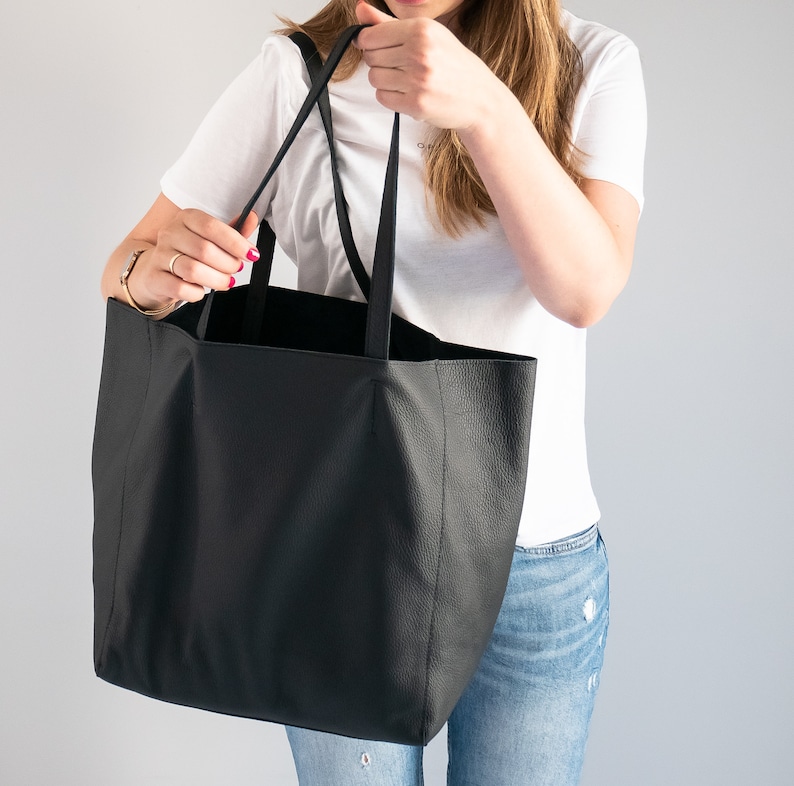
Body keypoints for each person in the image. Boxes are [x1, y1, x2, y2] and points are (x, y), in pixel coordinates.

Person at [101, 0, 645, 783]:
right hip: (346, 549)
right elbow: (127, 267)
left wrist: (487, 107)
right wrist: (150, 276)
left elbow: (585, 291)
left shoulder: (591, 65)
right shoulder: (296, 73)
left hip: (536, 560)